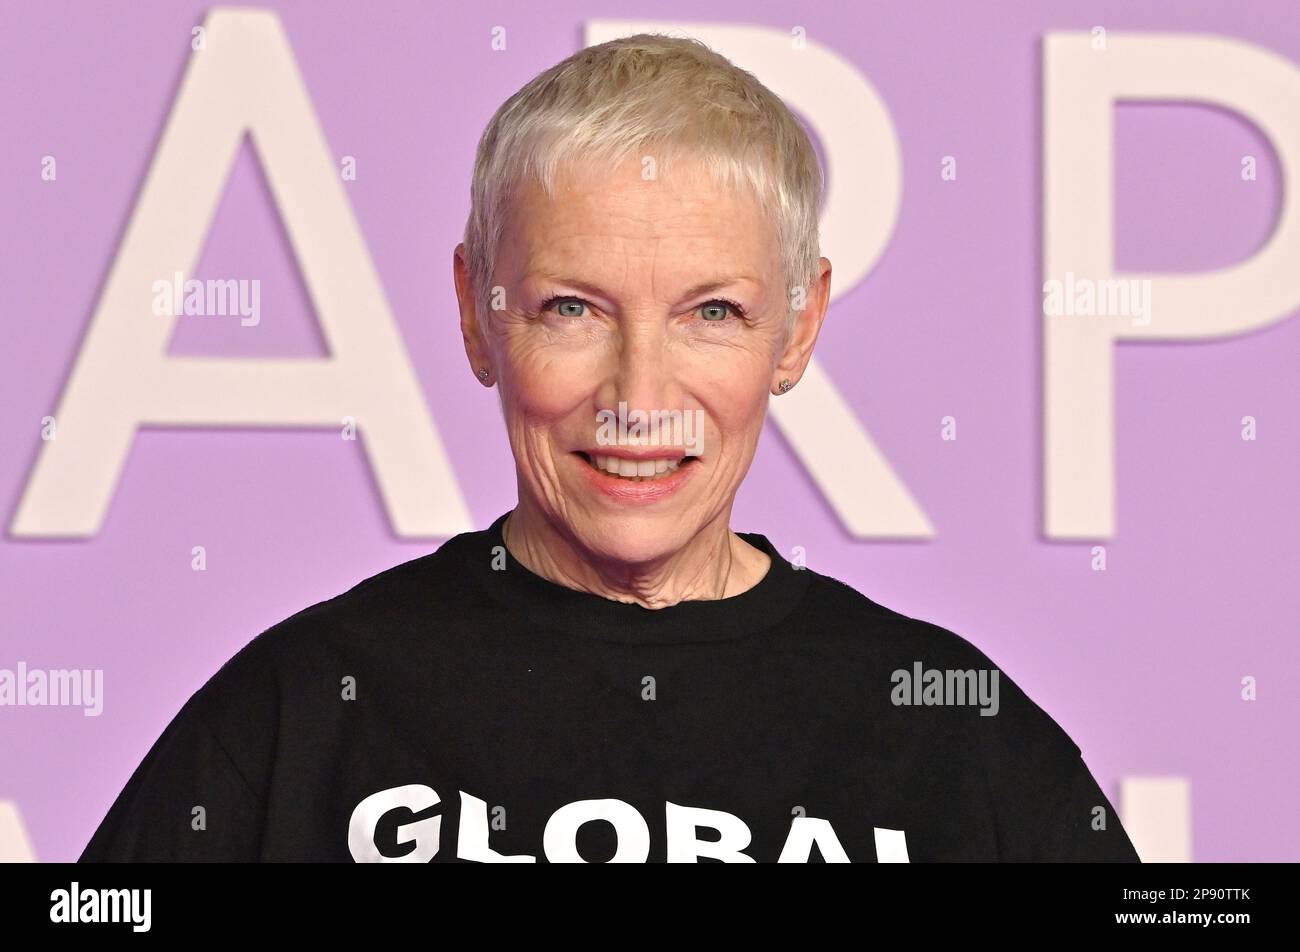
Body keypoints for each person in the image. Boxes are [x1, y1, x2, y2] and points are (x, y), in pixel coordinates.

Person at [80, 33, 1139, 863]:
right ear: (474, 311)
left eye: (711, 312)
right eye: (573, 308)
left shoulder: (952, 725)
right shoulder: (301, 706)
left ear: (799, 326)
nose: (639, 396)